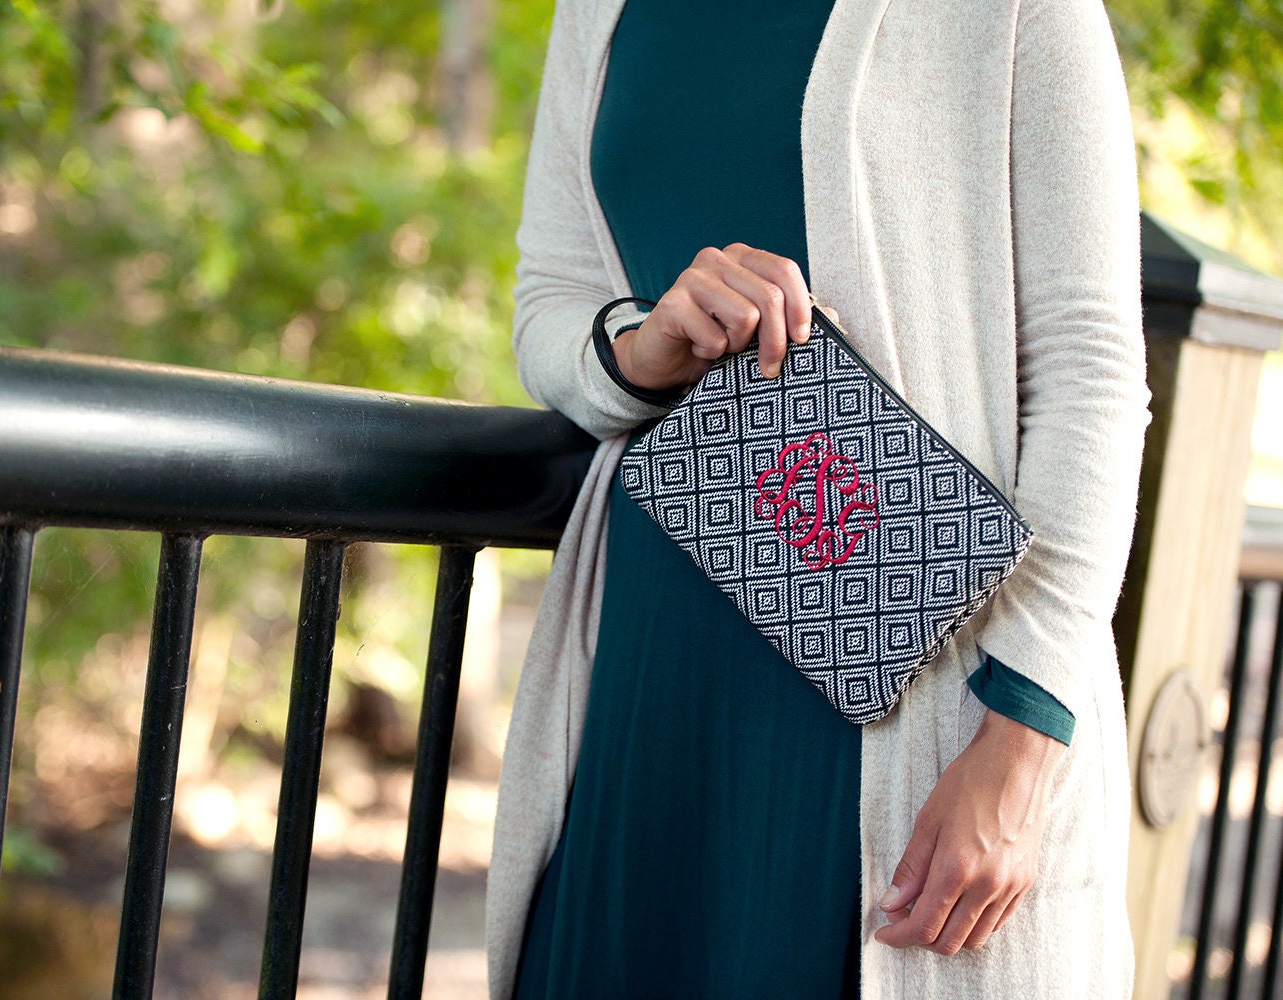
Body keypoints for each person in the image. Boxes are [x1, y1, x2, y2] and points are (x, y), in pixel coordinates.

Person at [487, 0, 1151, 997]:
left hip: (919, 700)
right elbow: (550, 295)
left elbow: (1091, 368)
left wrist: (1021, 738)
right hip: (651, 673)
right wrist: (644, 343)